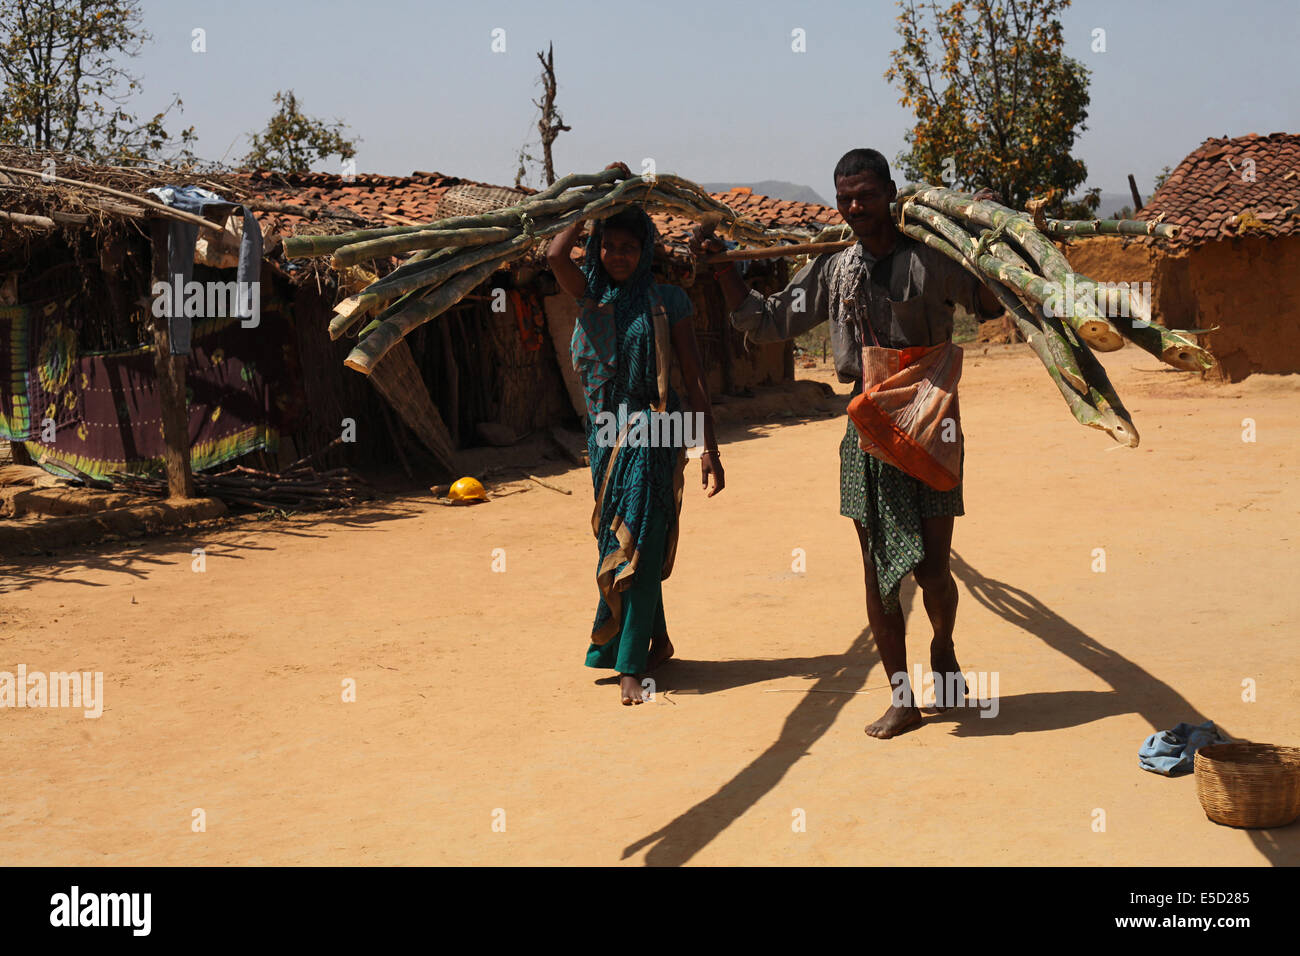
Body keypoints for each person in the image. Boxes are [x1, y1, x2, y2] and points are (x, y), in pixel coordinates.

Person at [694, 148, 1002, 738]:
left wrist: (983, 240)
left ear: (889, 192)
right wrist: (725, 274)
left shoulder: (931, 259)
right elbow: (768, 322)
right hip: (866, 432)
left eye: (865, 194)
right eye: (845, 198)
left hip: (935, 425)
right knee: (877, 571)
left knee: (935, 570)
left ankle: (943, 647)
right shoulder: (837, 270)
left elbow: (987, 305)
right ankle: (902, 696)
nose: (856, 207)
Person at [548, 163, 724, 706]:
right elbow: (555, 256)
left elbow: (693, 376)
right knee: (615, 538)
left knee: (642, 540)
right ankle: (655, 641)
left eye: (629, 246)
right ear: (598, 248)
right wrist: (591, 205)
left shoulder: (668, 300)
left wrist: (708, 447)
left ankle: (628, 664)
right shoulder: (592, 296)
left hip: (656, 430)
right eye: (610, 245)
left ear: (645, 250)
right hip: (606, 432)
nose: (619, 255)